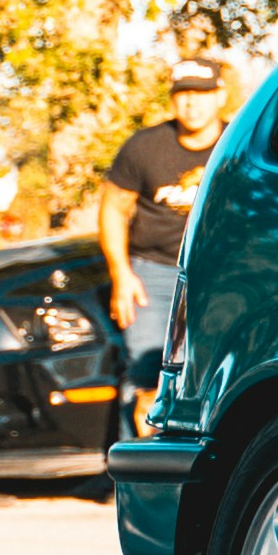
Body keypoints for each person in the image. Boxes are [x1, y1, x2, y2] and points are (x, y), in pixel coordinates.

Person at [96, 50, 233, 417]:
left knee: (215, 375)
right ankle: (138, 454)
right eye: (183, 93)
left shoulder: (237, 143)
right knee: (147, 379)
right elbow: (112, 209)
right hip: (152, 274)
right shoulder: (144, 146)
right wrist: (121, 274)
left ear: (220, 95)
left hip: (218, 275)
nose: (192, 103)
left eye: (202, 93)